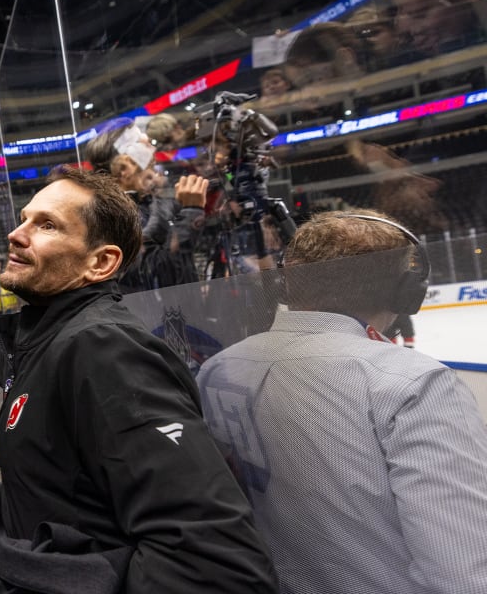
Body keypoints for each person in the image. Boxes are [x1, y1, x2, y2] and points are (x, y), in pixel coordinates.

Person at [0, 166, 276, 593]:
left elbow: (215, 564)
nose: (16, 233)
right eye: (25, 218)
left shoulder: (104, 349)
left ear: (100, 262)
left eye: (46, 225)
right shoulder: (46, 339)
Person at [197, 210, 487, 594]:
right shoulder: (411, 384)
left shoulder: (218, 368)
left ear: (288, 282)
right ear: (404, 289)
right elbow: (462, 572)